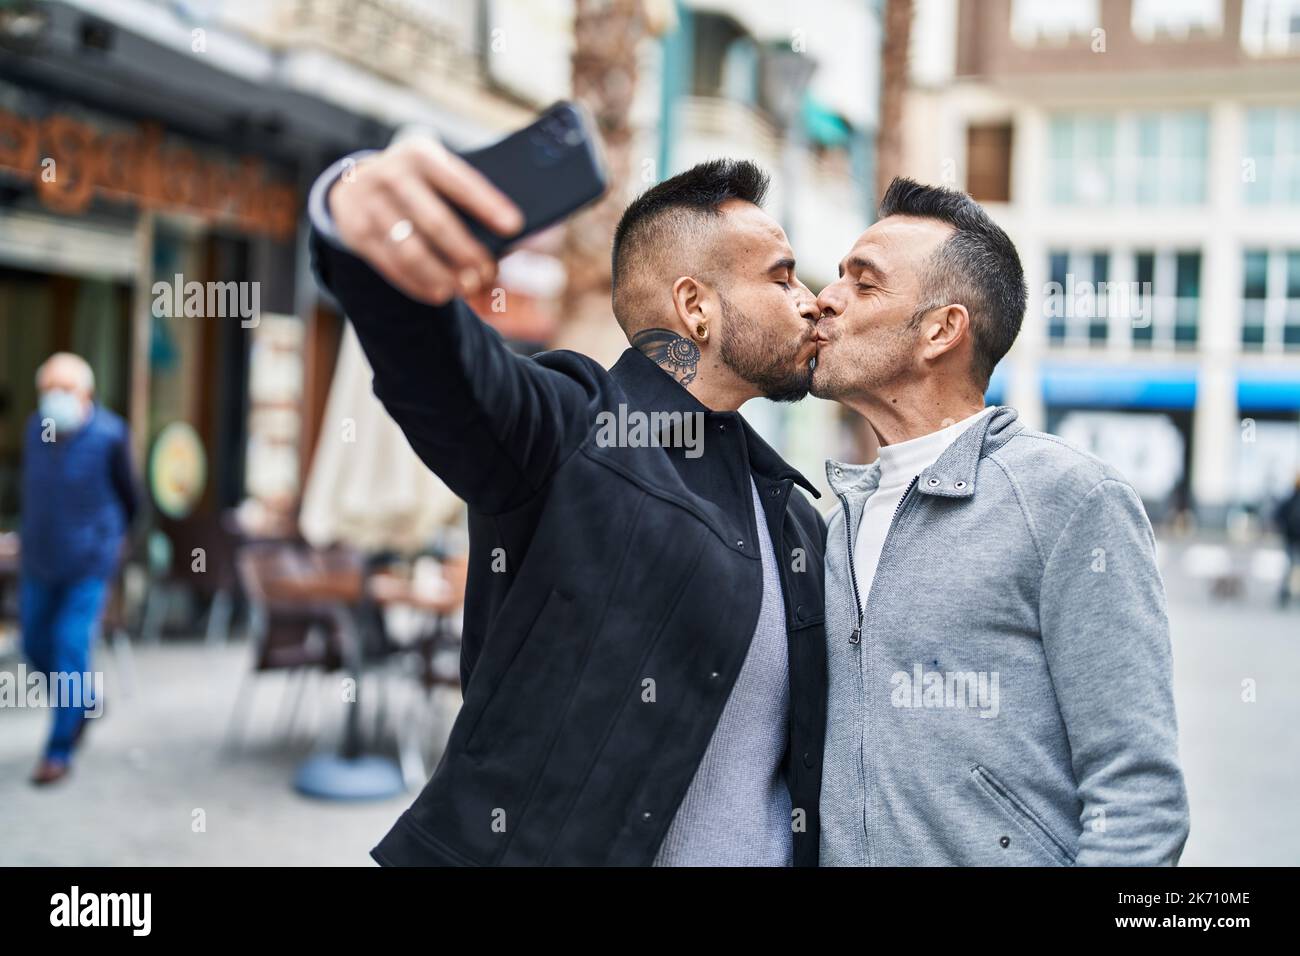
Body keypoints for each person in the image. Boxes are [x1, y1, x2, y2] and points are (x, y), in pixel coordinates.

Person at [309, 140, 827, 865]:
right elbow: (443, 371)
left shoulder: (796, 515)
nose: (815, 301)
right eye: (783, 278)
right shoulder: (577, 428)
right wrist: (354, 223)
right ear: (695, 307)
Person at [811, 178, 1190, 866]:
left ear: (942, 330)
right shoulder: (838, 519)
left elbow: (1139, 799)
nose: (825, 299)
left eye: (863, 284)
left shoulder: (1071, 502)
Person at [20, 352, 138, 785]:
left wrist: (110, 545)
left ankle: (58, 752)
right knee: (35, 645)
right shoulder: (37, 429)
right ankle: (83, 701)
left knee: (70, 650)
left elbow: (132, 499)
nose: (55, 398)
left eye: (64, 389)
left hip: (87, 566)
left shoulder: (111, 434)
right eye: (48, 389)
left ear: (86, 393)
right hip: (39, 560)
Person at [1275, 475, 1300, 607]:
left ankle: (1285, 594)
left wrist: (1284, 530)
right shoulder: (1290, 500)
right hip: (1292, 539)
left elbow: (1278, 516)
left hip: (1291, 539)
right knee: (1291, 567)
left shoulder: (1289, 499)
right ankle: (1285, 594)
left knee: (1290, 567)